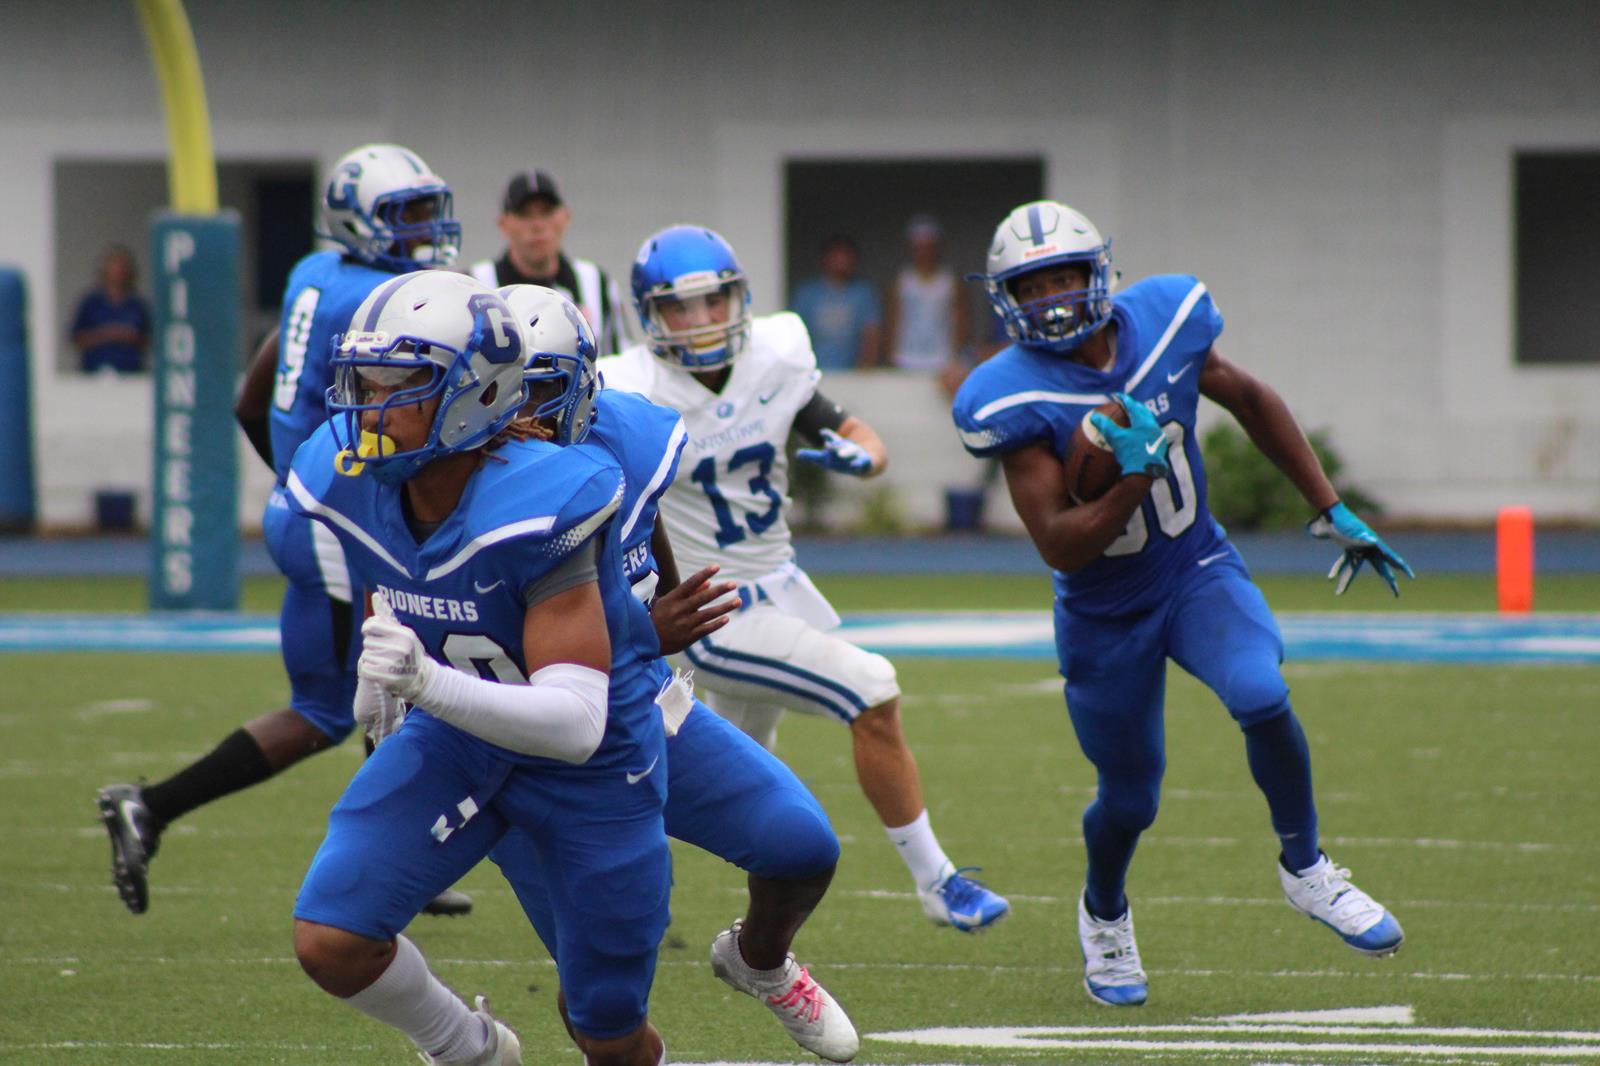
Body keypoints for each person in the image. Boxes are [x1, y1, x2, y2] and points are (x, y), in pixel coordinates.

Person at [952, 199, 1411, 1007]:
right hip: (1104, 611)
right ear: (1005, 300)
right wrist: (1133, 474)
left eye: (1065, 276)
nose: (1053, 298)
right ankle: (1103, 913)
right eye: (1032, 286)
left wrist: (1328, 505)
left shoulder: (1169, 318)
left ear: (1099, 275)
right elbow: (1059, 543)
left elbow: (1249, 396)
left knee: (1262, 694)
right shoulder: (1006, 395)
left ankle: (1305, 867)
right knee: (1130, 798)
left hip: (1195, 569)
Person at [286, 270, 673, 1066]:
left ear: (477, 393)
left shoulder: (547, 497)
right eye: (366, 378)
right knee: (332, 937)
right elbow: (389, 567)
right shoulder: (350, 472)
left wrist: (423, 681)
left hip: (592, 767)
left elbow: (575, 723)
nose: (372, 405)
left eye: (402, 384)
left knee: (607, 1030)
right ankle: (469, 1050)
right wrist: (378, 645)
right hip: (458, 741)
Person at [97, 143, 473, 918]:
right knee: (342, 704)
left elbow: (250, 398)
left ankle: (395, 856)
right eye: (406, 215)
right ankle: (153, 805)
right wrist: (331, 497)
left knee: (366, 688)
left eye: (428, 211)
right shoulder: (377, 295)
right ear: (355, 218)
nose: (425, 230)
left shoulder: (314, 275)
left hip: (307, 515)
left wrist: (298, 485)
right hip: (334, 528)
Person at [602, 225, 1009, 933]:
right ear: (650, 317)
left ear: (742, 299)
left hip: (781, 589)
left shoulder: (774, 356)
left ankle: (715, 927)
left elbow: (856, 431)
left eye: (714, 301)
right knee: (872, 689)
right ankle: (937, 882)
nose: (700, 321)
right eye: (680, 308)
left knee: (730, 787)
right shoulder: (628, 388)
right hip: (714, 614)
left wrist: (865, 460)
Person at [487, 284, 858, 1061]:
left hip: (635, 703)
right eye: (502, 396)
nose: (521, 417)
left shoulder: (632, 432)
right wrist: (639, 629)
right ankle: (463, 1041)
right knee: (603, 985)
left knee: (802, 845)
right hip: (516, 740)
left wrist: (663, 604)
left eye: (542, 392)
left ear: (585, 384)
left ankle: (759, 962)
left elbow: (644, 508)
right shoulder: (459, 484)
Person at [469, 169, 630, 354]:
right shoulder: (475, 285)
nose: (537, 225)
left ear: (566, 218)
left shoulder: (596, 282)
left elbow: (619, 365)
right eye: (525, 214)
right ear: (503, 224)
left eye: (546, 212)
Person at [882, 214, 969, 374]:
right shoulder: (901, 281)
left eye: (928, 247)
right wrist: (891, 356)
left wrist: (955, 356)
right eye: (919, 247)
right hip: (905, 359)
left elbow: (960, 321)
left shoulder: (950, 281)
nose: (924, 253)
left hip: (942, 360)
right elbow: (893, 319)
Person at [788, 234, 880, 370]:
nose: (841, 262)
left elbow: (871, 332)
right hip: (814, 371)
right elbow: (794, 333)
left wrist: (865, 366)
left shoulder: (863, 293)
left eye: (846, 257)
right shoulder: (807, 293)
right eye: (836, 256)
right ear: (825, 259)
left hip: (851, 374)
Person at [70, 244, 151, 374]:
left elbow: (149, 339)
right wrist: (106, 334)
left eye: (122, 266)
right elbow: (76, 338)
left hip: (130, 373)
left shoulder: (137, 304)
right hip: (94, 372)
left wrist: (128, 336)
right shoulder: (90, 303)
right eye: (114, 265)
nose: (118, 271)